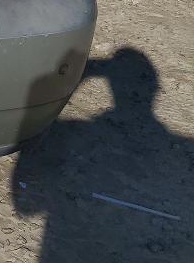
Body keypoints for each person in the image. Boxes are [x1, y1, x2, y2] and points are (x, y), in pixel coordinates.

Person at [13, 48, 193, 262]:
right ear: (155, 90)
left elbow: (26, 207)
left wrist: (81, 74)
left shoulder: (71, 130)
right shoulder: (173, 151)